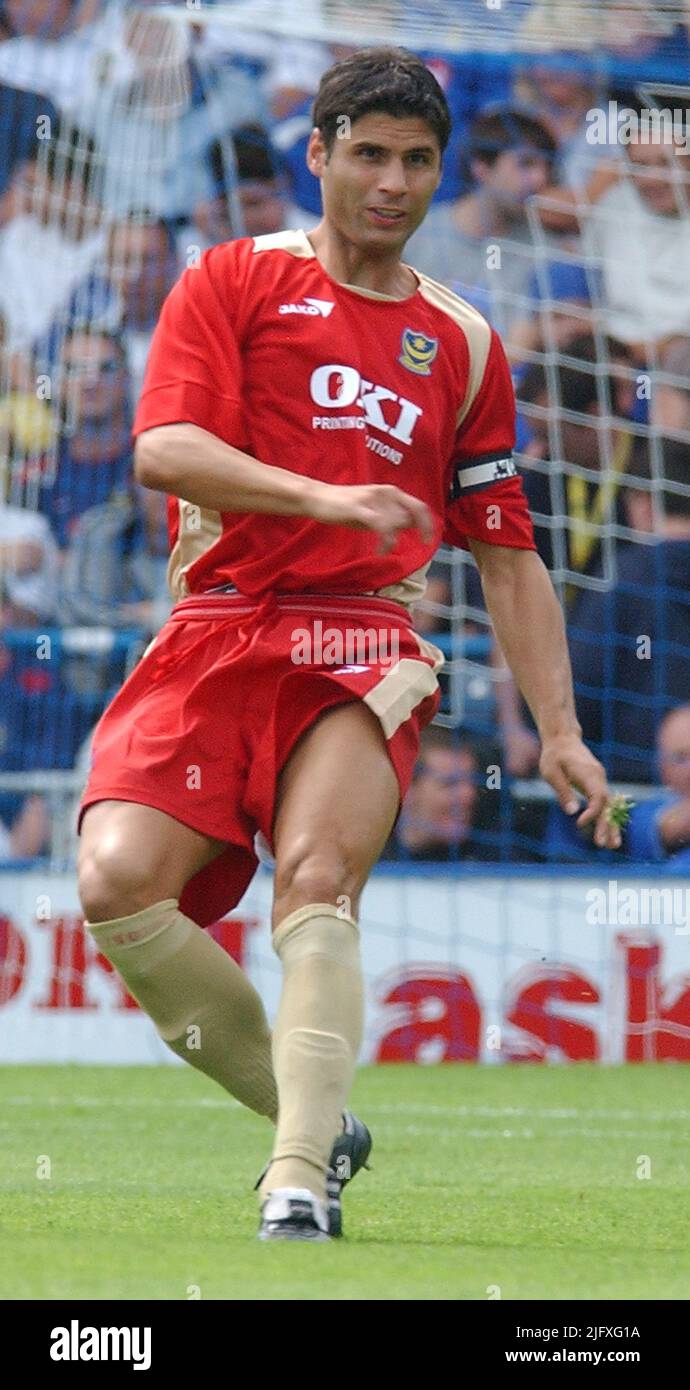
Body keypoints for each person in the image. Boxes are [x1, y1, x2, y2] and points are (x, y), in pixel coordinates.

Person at [76, 46, 619, 1245]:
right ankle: (310, 1115)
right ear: (316, 154)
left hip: (362, 643)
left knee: (319, 883)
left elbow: (508, 552)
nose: (392, 182)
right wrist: (326, 497)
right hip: (215, 629)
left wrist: (563, 731)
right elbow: (163, 450)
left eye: (417, 160)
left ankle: (297, 1187)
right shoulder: (231, 278)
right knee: (114, 882)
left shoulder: (463, 342)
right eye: (367, 154)